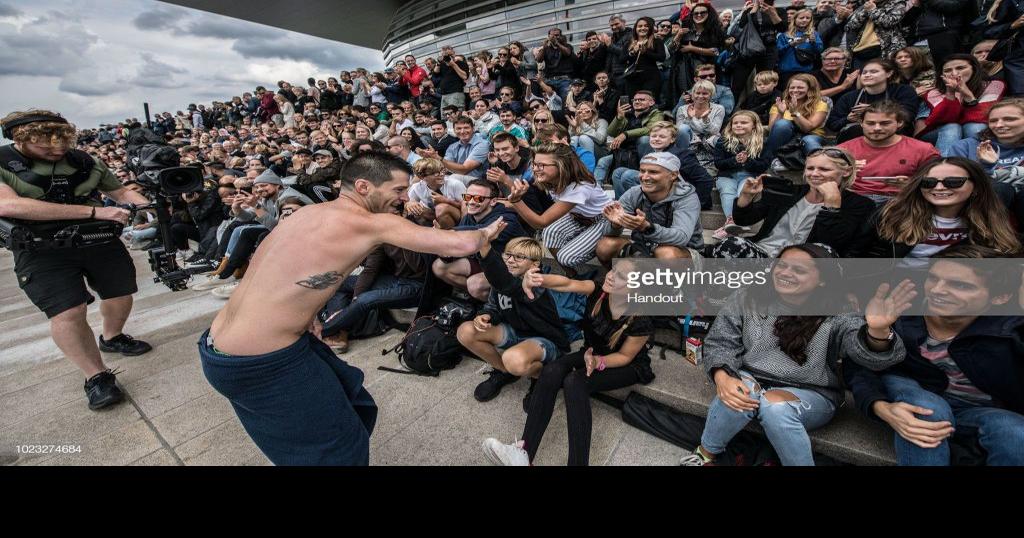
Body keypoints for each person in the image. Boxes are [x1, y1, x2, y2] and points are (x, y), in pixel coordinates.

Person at [198, 152, 507, 466]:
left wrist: (307, 317)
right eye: (398, 190)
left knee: (353, 400)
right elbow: (458, 245)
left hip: (222, 345)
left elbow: (269, 268)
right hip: (261, 362)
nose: (403, 198)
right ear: (364, 186)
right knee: (338, 451)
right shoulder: (369, 221)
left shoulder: (306, 214)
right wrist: (486, 233)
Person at [679, 243, 910, 466]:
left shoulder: (839, 313)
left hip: (812, 391)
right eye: (782, 265)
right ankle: (705, 455)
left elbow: (866, 355)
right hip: (752, 376)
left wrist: (878, 332)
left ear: (821, 280)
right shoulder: (748, 296)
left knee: (775, 408)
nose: (785, 273)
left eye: (799, 270)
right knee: (737, 392)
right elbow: (721, 341)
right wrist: (722, 376)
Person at [0, 110, 153, 410]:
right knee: (68, 312)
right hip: (43, 249)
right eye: (46, 146)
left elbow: (119, 190)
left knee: (121, 292)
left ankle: (112, 336)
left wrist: (148, 204)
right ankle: (96, 376)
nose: (57, 151)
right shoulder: (3, 163)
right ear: (22, 139)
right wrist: (94, 211)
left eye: (62, 144)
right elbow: (9, 204)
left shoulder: (84, 161)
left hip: (97, 239)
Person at [845, 245, 1024, 466]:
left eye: (959, 285)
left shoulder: (1010, 330)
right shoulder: (901, 314)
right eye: (933, 278)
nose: (937, 290)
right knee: (928, 409)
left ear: (1000, 297)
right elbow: (859, 368)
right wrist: (881, 407)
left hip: (980, 411)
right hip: (915, 395)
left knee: (1015, 432)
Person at [482, 262, 655, 466]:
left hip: (627, 366)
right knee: (552, 369)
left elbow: (625, 357)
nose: (611, 276)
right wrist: (538, 279)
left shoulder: (641, 318)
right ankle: (524, 454)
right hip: (592, 352)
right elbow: (566, 284)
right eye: (614, 270)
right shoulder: (598, 290)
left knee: (575, 381)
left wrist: (598, 361)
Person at [456, 235, 570, 403]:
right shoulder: (501, 281)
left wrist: (485, 247)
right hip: (515, 332)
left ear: (535, 264)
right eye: (507, 255)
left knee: (514, 360)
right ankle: (503, 371)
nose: (510, 260)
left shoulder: (538, 284)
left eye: (519, 257)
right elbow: (493, 306)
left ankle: (540, 378)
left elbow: (514, 289)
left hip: (544, 340)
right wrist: (485, 315)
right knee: (466, 331)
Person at [713, 147, 874, 258]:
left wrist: (832, 207)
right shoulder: (791, 191)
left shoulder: (860, 205)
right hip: (764, 251)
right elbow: (744, 221)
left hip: (803, 266)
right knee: (727, 245)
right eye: (810, 168)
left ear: (846, 172)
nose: (814, 174)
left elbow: (829, 247)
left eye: (824, 169)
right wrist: (746, 197)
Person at [849, 157, 1022, 258]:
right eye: (929, 182)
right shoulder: (893, 212)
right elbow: (857, 254)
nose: (939, 188)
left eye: (953, 182)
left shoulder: (990, 216)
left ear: (976, 187)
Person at [506, 143, 612, 273]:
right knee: (549, 234)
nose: (535, 169)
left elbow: (540, 222)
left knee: (566, 257)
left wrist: (517, 201)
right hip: (578, 216)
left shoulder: (579, 188)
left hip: (604, 219)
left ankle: (608, 268)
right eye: (534, 164)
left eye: (542, 165)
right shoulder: (551, 179)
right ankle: (573, 276)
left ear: (562, 166)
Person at [596, 152, 704, 266]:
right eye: (642, 171)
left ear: (673, 175)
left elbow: (681, 238)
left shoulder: (687, 198)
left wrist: (647, 228)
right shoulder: (634, 193)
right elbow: (607, 233)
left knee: (667, 254)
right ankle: (619, 279)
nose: (644, 177)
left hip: (683, 251)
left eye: (653, 172)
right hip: (644, 247)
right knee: (605, 246)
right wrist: (616, 225)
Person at [433, 179, 527, 301]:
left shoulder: (506, 219)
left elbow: (478, 231)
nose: (471, 202)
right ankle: (481, 299)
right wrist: (445, 253)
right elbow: (462, 246)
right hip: (486, 262)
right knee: (439, 267)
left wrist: (448, 233)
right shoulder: (469, 218)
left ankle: (504, 307)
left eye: (478, 198)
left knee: (475, 285)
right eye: (467, 197)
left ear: (493, 201)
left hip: (515, 269)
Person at [838, 99, 940, 205]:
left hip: (900, 200)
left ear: (899, 123)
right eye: (870, 123)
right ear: (861, 123)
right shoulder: (843, 150)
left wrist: (913, 185)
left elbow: (938, 181)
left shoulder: (923, 150)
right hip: (853, 199)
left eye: (885, 123)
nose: (877, 128)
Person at [917, 54, 1007, 156]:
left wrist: (968, 95)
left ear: (974, 69)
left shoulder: (993, 85)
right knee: (952, 127)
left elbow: (982, 117)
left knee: (975, 127)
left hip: (974, 128)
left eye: (961, 68)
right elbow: (942, 121)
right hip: (938, 132)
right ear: (941, 75)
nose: (954, 73)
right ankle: (946, 166)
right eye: (947, 70)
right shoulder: (934, 92)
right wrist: (950, 94)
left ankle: (980, 165)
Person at [610, 121, 714, 206]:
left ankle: (645, 207)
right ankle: (623, 207)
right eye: (654, 136)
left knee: (628, 176)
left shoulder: (683, 155)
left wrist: (696, 204)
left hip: (678, 196)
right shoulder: (651, 153)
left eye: (662, 137)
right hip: (660, 189)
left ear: (672, 139)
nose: (656, 139)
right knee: (618, 172)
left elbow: (706, 180)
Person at [827, 58, 920, 143]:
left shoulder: (903, 91)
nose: (867, 75)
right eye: (864, 72)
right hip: (856, 140)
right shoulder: (849, 97)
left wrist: (871, 110)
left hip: (895, 139)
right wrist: (847, 119)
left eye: (874, 72)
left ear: (889, 73)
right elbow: (832, 123)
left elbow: (908, 115)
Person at [713, 110, 770, 239]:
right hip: (727, 176)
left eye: (744, 122)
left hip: (749, 175)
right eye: (735, 123)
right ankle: (731, 222)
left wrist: (747, 161)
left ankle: (730, 226)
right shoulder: (723, 141)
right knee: (727, 191)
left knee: (742, 194)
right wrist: (734, 160)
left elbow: (763, 165)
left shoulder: (762, 142)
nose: (738, 125)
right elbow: (718, 163)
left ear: (754, 125)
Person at [947, 99, 1024, 187]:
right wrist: (986, 167)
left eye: (1009, 119)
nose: (998, 125)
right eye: (993, 121)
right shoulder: (964, 147)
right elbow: (955, 184)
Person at [728, 0, 786, 100]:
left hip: (769, 49)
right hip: (749, 48)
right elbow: (741, 25)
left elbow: (782, 28)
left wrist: (772, 13)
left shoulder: (779, 10)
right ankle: (731, 111)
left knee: (765, 81)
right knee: (738, 83)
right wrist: (753, 9)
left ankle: (763, 108)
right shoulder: (750, 9)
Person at [669, 3, 726, 98]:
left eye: (703, 12)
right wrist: (678, 35)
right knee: (685, 95)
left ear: (709, 14)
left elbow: (715, 52)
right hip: (683, 69)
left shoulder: (715, 31)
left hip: (705, 69)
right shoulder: (685, 30)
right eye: (696, 13)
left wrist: (692, 48)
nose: (699, 15)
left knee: (705, 93)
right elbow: (671, 49)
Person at [765, 73, 829, 158]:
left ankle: (818, 164)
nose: (795, 90)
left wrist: (795, 112)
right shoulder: (780, 105)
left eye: (800, 87)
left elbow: (808, 128)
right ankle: (769, 160)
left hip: (811, 135)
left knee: (809, 140)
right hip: (786, 137)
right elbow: (771, 130)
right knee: (783, 124)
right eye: (792, 87)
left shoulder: (820, 105)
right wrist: (780, 113)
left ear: (810, 89)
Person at [602, 17, 666, 101]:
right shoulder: (630, 42)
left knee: (649, 101)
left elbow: (661, 57)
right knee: (633, 103)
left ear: (650, 27)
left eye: (646, 26)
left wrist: (645, 52)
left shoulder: (656, 41)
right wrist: (632, 53)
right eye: (640, 26)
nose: (642, 28)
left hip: (651, 77)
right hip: (632, 78)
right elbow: (622, 59)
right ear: (636, 28)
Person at [418, 115, 488, 185]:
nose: (462, 131)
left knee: (452, 178)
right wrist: (429, 158)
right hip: (456, 178)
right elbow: (444, 167)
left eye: (466, 128)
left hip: (479, 182)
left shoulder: (482, 144)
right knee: (424, 178)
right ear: (454, 130)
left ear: (473, 129)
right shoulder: (453, 146)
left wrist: (437, 157)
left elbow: (464, 170)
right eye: (458, 128)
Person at [842, 0, 907, 66]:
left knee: (881, 74)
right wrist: (865, 10)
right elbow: (850, 26)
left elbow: (888, 22)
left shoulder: (898, 3)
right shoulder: (865, 5)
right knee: (861, 75)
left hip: (884, 50)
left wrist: (872, 10)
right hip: (860, 50)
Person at [405, 158, 465, 229]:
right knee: (417, 210)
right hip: (433, 216)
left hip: (457, 216)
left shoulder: (455, 184)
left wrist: (446, 200)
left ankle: (449, 234)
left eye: (442, 170)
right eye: (436, 173)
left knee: (441, 208)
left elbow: (467, 206)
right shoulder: (417, 187)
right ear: (422, 177)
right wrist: (410, 204)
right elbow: (406, 203)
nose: (442, 174)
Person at [674, 79, 725, 151]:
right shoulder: (682, 109)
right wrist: (689, 118)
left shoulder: (719, 108)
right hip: (689, 141)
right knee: (683, 128)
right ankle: (682, 154)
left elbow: (715, 131)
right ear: (693, 94)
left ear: (711, 95)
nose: (700, 96)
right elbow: (679, 131)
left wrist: (705, 120)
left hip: (709, 141)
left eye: (705, 93)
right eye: (698, 93)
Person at [777, 8, 824, 84]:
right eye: (801, 18)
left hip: (806, 70)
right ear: (795, 19)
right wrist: (790, 44)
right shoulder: (785, 35)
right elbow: (778, 52)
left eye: (808, 18)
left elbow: (820, 51)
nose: (805, 20)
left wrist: (813, 42)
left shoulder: (814, 34)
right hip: (787, 71)